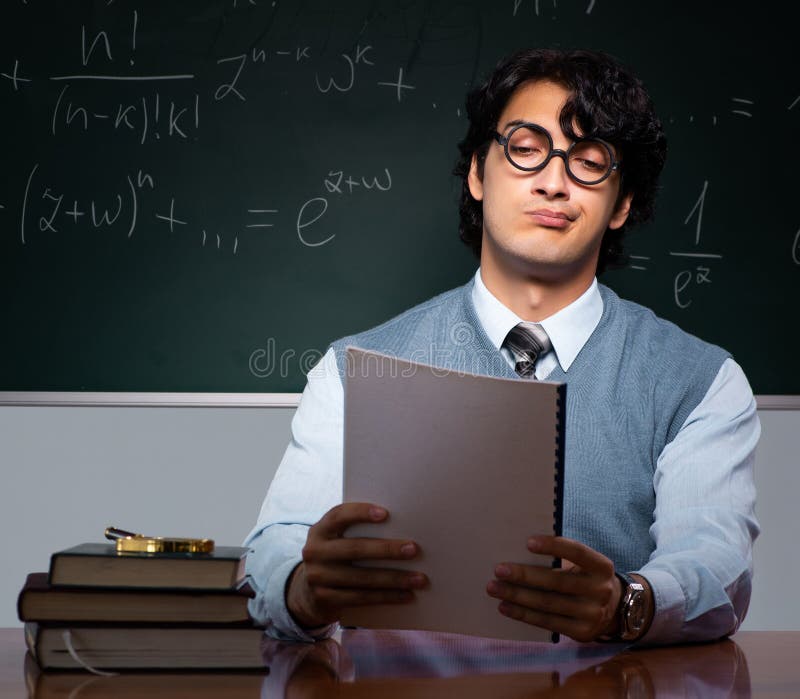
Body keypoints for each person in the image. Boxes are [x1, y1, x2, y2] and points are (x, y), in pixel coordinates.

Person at [244, 48, 759, 645]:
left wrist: (627, 604)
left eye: (589, 162)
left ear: (621, 205)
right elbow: (272, 554)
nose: (553, 181)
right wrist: (304, 590)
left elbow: (716, 567)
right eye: (525, 148)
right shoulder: (351, 373)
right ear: (477, 173)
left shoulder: (701, 382)